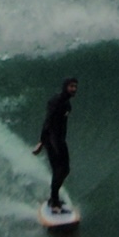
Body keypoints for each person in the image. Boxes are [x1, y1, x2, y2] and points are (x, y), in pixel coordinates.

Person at [30, 77, 78, 211]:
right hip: (52, 140)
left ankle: (54, 198)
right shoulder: (56, 102)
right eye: (71, 86)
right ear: (65, 87)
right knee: (60, 170)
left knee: (64, 170)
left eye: (75, 86)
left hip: (60, 140)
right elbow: (48, 121)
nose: (74, 89)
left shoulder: (67, 104)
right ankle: (54, 201)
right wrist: (41, 142)